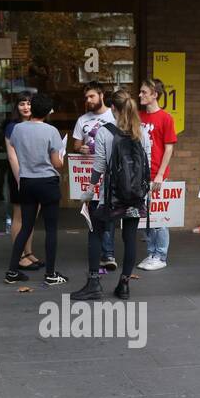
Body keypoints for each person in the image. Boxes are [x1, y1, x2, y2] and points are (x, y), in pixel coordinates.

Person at [73, 89, 150, 301]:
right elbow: (147, 165)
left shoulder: (105, 132)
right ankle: (124, 285)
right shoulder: (141, 131)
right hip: (135, 195)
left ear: (113, 108)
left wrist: (89, 191)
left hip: (111, 197)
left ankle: (93, 283)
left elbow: (99, 166)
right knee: (130, 238)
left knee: (95, 232)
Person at [5, 92, 67, 285]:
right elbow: (57, 163)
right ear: (48, 111)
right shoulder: (51, 131)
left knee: (26, 226)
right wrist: (61, 159)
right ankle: (50, 274)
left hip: (26, 182)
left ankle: (12, 271)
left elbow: (17, 149)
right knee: (50, 230)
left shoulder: (18, 129)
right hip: (47, 182)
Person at [73, 81, 118, 272]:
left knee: (108, 212)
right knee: (92, 212)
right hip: (88, 172)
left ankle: (108, 254)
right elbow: (75, 145)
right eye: (86, 97)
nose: (88, 100)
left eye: (91, 96)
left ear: (101, 95)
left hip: (109, 171)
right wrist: (80, 148)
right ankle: (97, 251)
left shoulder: (114, 117)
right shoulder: (82, 120)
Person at [137, 78, 177, 271]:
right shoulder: (139, 117)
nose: (140, 95)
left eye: (144, 92)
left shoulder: (166, 118)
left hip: (157, 175)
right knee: (146, 217)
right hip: (141, 175)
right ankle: (151, 252)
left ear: (154, 94)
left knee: (159, 217)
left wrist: (160, 175)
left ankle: (160, 255)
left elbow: (169, 149)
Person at [5, 93, 42, 271]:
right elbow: (12, 157)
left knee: (32, 217)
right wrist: (20, 179)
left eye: (29, 104)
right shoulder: (12, 127)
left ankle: (28, 252)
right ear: (16, 107)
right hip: (19, 176)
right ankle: (18, 256)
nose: (26, 107)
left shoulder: (38, 124)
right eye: (22, 104)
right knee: (19, 217)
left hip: (37, 176)